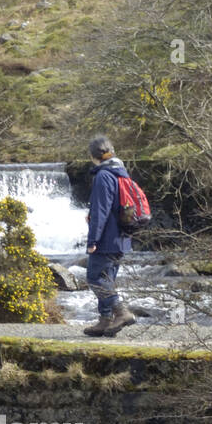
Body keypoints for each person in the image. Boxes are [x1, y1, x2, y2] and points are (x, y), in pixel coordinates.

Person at [83, 135, 137, 337]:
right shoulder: (121, 173)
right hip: (122, 239)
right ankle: (105, 320)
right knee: (108, 279)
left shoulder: (103, 176)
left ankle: (121, 313)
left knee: (95, 278)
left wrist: (92, 241)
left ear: (93, 156)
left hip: (107, 240)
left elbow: (100, 212)